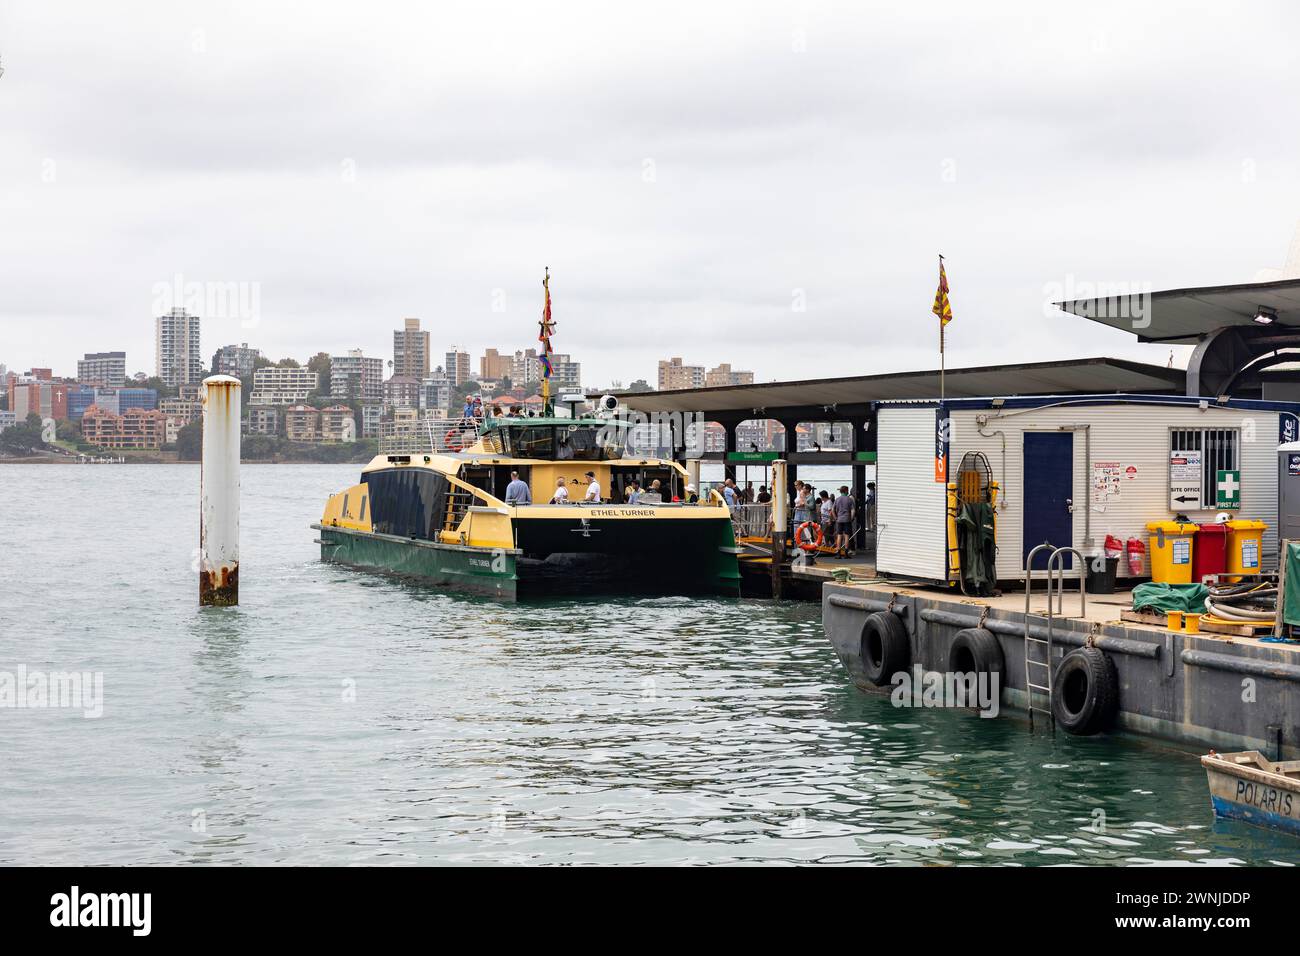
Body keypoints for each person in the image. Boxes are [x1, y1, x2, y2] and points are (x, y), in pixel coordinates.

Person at [833, 485, 856, 557]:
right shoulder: (849, 499)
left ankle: (838, 552)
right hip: (847, 519)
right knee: (846, 536)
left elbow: (833, 510)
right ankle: (846, 552)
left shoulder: (837, 499)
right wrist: (851, 518)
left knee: (839, 535)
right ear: (846, 491)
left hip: (839, 519)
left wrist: (835, 518)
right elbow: (853, 510)